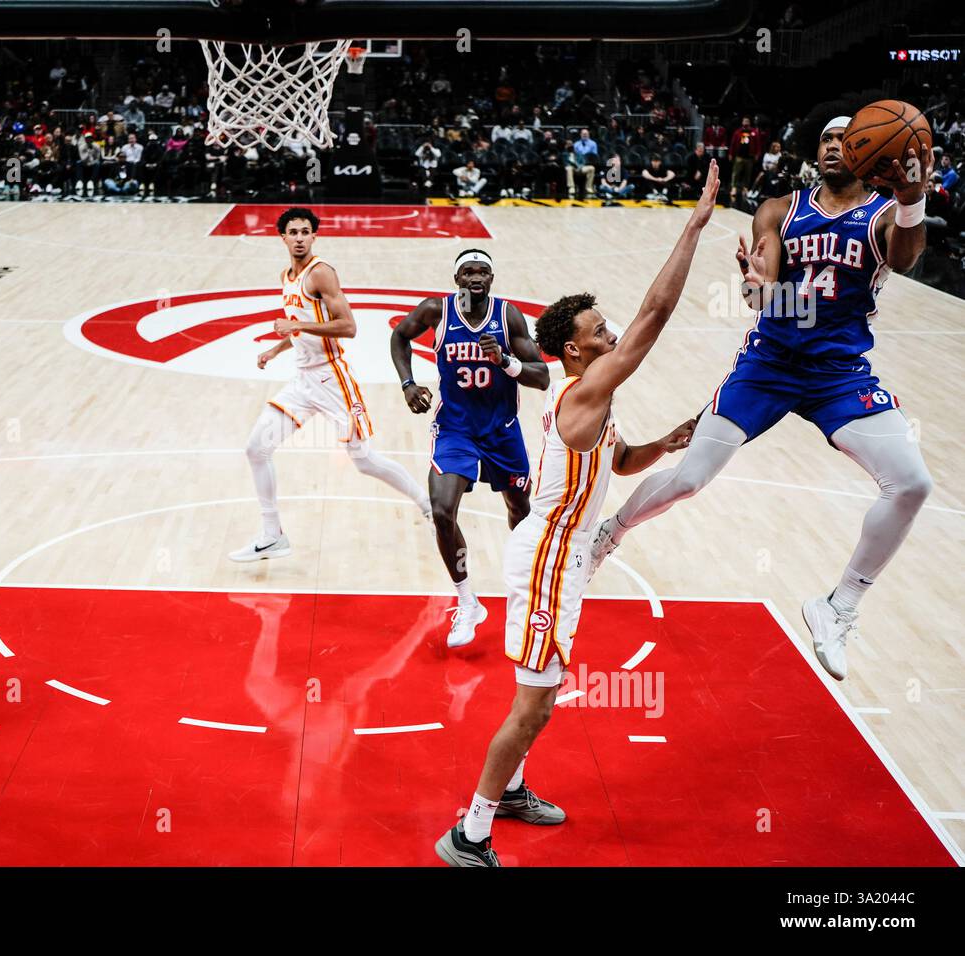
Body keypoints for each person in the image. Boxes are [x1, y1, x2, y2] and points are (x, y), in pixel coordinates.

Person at [435, 162, 719, 867]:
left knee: (546, 692)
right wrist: (693, 226)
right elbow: (654, 318)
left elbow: (618, 465)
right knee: (533, 704)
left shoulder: (596, 403)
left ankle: (515, 790)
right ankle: (469, 831)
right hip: (547, 561)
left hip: (567, 558)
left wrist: (667, 442)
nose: (612, 329)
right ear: (574, 349)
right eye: (599, 327)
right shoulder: (585, 390)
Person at [590, 117, 935, 682]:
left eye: (844, 140)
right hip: (768, 365)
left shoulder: (883, 211)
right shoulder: (780, 208)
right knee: (688, 478)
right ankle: (610, 535)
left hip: (839, 373)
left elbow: (903, 259)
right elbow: (762, 297)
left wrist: (913, 198)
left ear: (867, 150)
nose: (831, 147)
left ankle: (839, 605)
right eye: (825, 139)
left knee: (913, 484)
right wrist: (753, 285)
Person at [230, 208, 430, 561]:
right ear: (282, 237)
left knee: (364, 460)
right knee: (256, 449)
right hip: (303, 380)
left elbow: (348, 326)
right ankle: (272, 533)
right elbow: (300, 323)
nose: (300, 237)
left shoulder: (321, 273)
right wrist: (276, 349)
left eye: (306, 231)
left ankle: (428, 503)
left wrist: (297, 329)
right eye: (293, 232)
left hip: (333, 379)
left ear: (315, 236)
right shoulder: (287, 276)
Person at [390, 250, 549, 647]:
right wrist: (409, 384)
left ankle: (525, 585)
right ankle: (467, 602)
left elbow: (542, 377)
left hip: (501, 431)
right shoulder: (435, 311)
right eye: (468, 271)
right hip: (455, 431)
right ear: (457, 277)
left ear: (492, 277)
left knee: (520, 509)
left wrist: (506, 360)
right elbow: (399, 336)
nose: (475, 277)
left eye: (483, 271)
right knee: (442, 510)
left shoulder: (508, 316)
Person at [567, 127, 598, 199]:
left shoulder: (593, 144)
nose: (585, 135)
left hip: (585, 165)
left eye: (586, 134)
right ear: (580, 135)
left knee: (592, 168)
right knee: (568, 168)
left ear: (589, 134)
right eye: (583, 134)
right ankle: (571, 187)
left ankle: (588, 187)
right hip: (576, 165)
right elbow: (573, 156)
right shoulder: (576, 144)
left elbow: (594, 157)